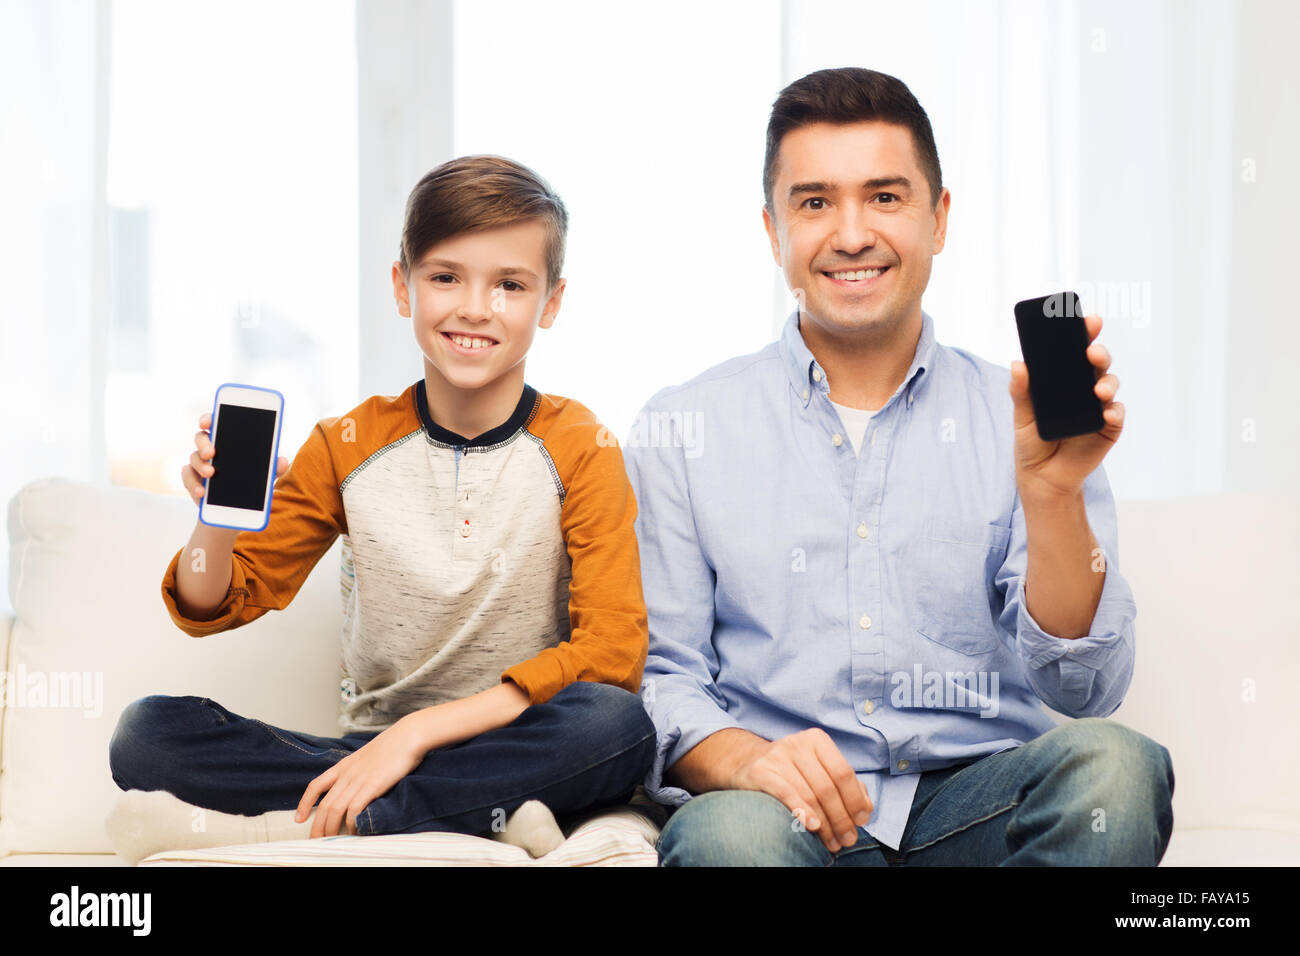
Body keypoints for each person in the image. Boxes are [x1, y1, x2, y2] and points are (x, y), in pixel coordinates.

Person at [624, 67, 1174, 866]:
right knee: (729, 838)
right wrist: (745, 760)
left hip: (977, 798)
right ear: (773, 231)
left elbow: (1084, 691)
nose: (851, 234)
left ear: (938, 218)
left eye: (885, 197)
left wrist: (1053, 493)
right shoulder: (682, 426)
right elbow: (662, 676)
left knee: (1118, 770)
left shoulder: (1017, 415)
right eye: (814, 203)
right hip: (788, 813)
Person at [106, 155, 655, 865]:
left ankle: (309, 821)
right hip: (370, 749)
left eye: (510, 285)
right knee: (146, 733)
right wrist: (215, 516)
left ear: (550, 302)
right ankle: (477, 817)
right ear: (403, 286)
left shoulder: (582, 446)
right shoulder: (347, 444)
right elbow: (213, 605)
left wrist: (417, 736)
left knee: (618, 725)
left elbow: (612, 657)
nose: (474, 308)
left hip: (514, 741)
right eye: (445, 276)